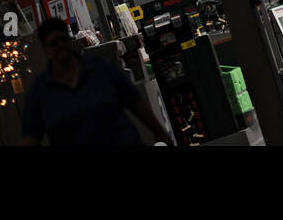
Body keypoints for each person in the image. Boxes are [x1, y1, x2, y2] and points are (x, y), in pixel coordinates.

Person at [21, 18, 174, 146]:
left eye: (63, 39)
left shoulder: (100, 68)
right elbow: (31, 136)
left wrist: (160, 133)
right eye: (54, 43)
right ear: (45, 49)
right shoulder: (40, 90)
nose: (60, 45)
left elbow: (135, 102)